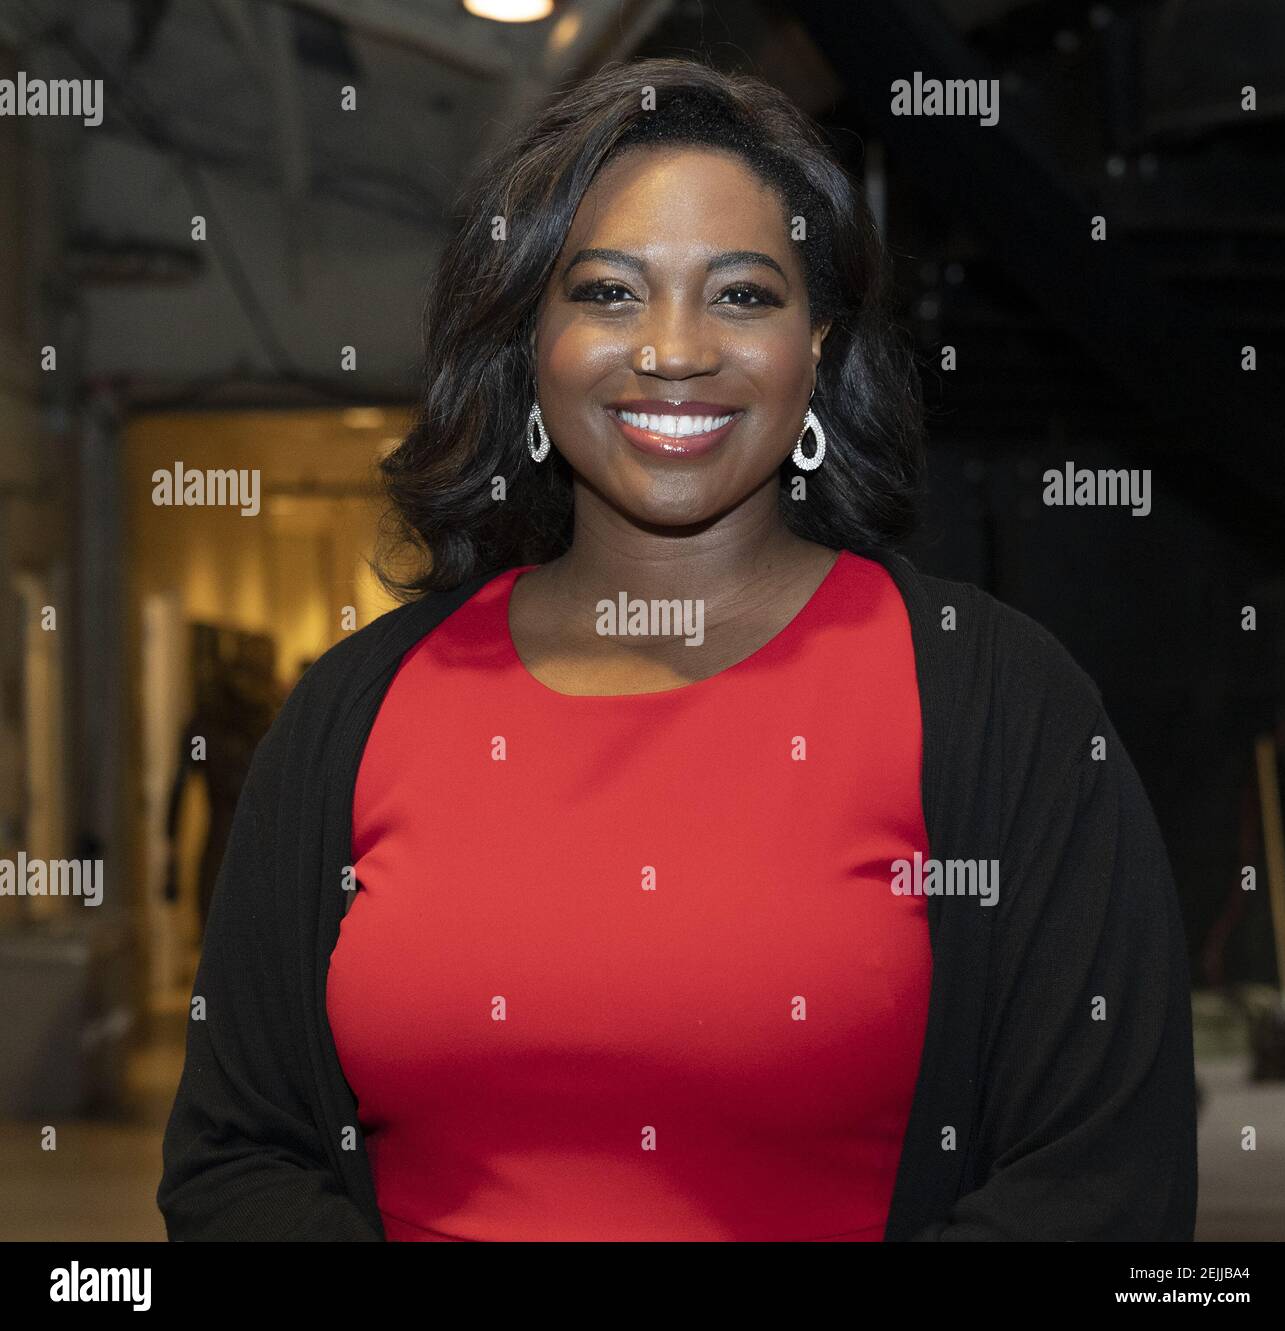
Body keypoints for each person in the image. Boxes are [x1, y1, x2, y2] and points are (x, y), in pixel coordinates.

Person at [157, 56, 1197, 1241]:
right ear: (525, 343)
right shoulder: (356, 707)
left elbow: (1104, 1180)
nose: (674, 348)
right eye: (606, 292)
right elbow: (233, 1155)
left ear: (819, 347)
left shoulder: (1001, 706)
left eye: (744, 294)